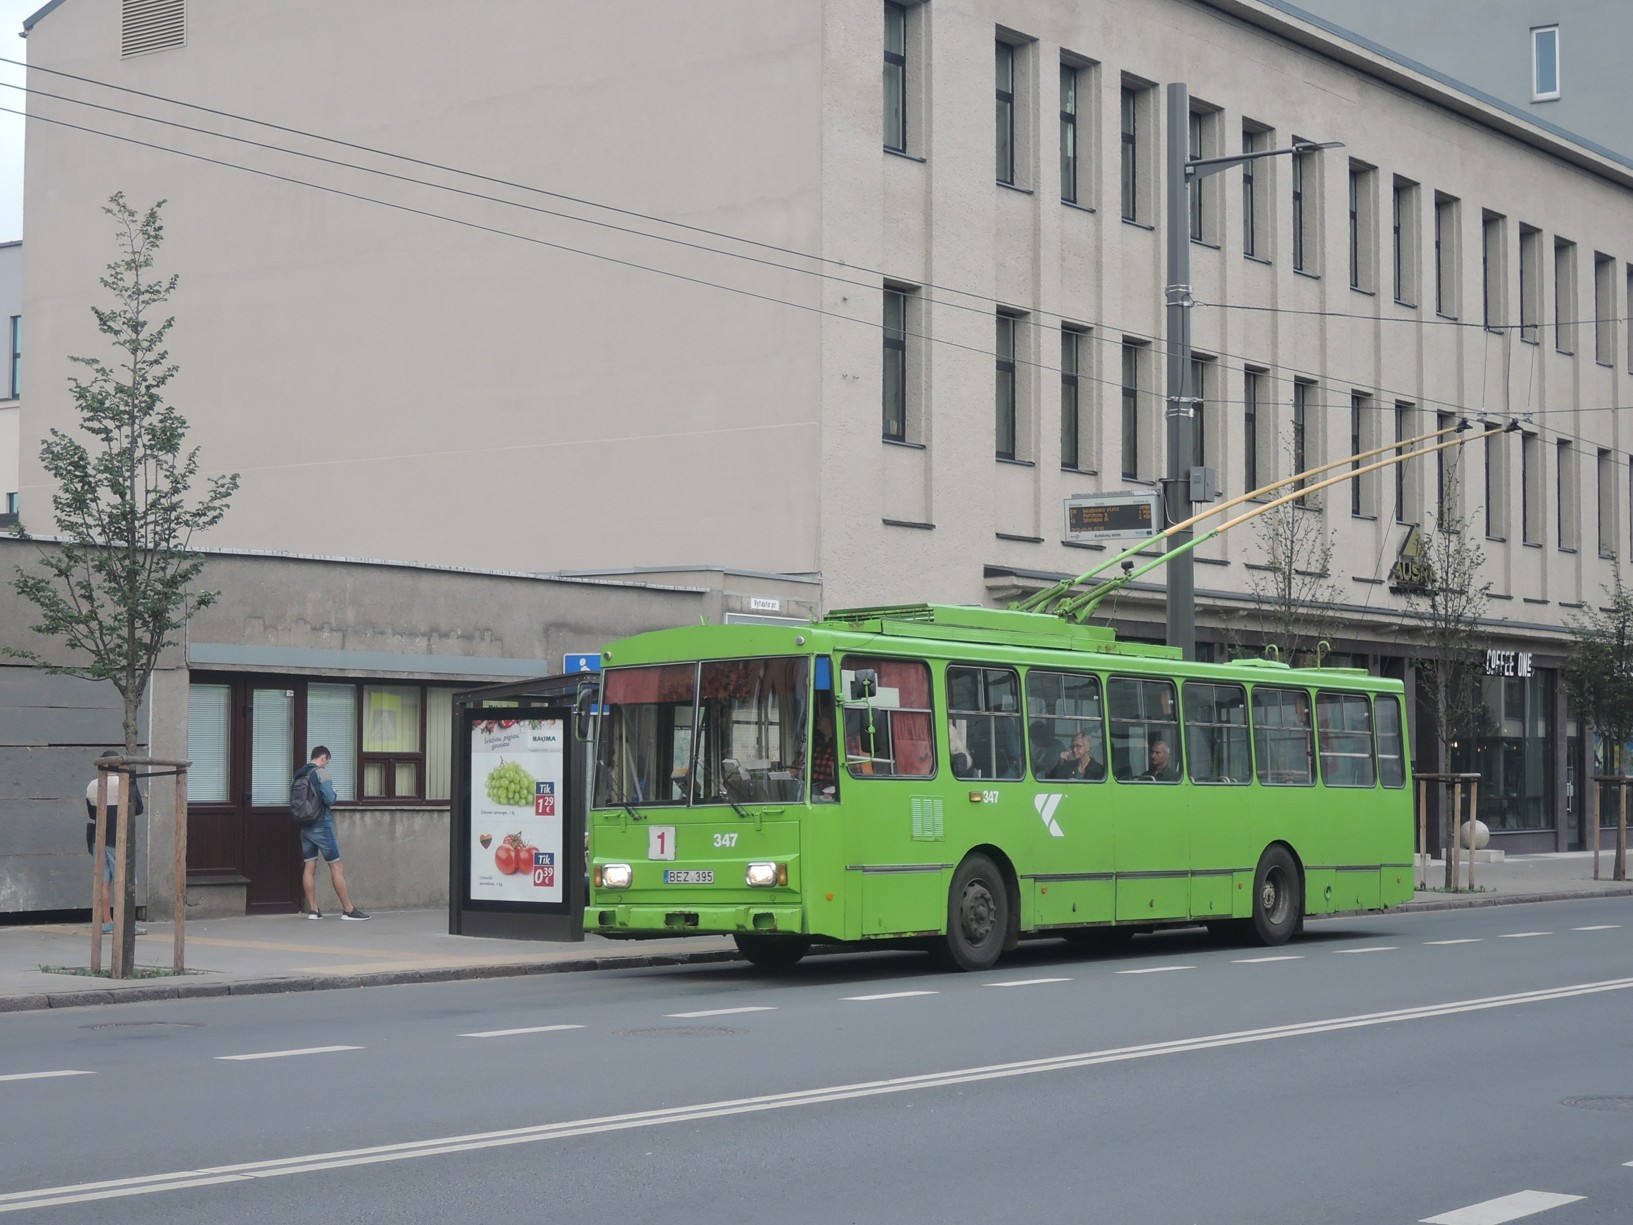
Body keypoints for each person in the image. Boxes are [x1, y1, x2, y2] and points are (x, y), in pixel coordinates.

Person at [296, 746, 369, 920]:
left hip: (305, 826)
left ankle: (313, 910)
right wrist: (334, 795)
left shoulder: (299, 774)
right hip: (321, 825)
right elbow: (328, 798)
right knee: (336, 866)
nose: (326, 764)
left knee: (309, 866)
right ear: (323, 758)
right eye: (327, 761)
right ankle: (348, 910)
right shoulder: (321, 773)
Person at [85, 749, 147, 935]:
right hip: (119, 839)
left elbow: (92, 814)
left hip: (99, 839)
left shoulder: (91, 785)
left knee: (104, 883)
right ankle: (127, 924)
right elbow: (139, 809)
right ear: (118, 764)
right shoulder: (126, 782)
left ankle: (107, 922)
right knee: (127, 882)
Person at [808, 707, 838, 799]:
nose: (818, 720)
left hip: (830, 794)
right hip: (809, 789)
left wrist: (834, 794)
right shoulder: (815, 743)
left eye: (822, 717)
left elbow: (849, 777)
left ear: (831, 720)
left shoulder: (843, 745)